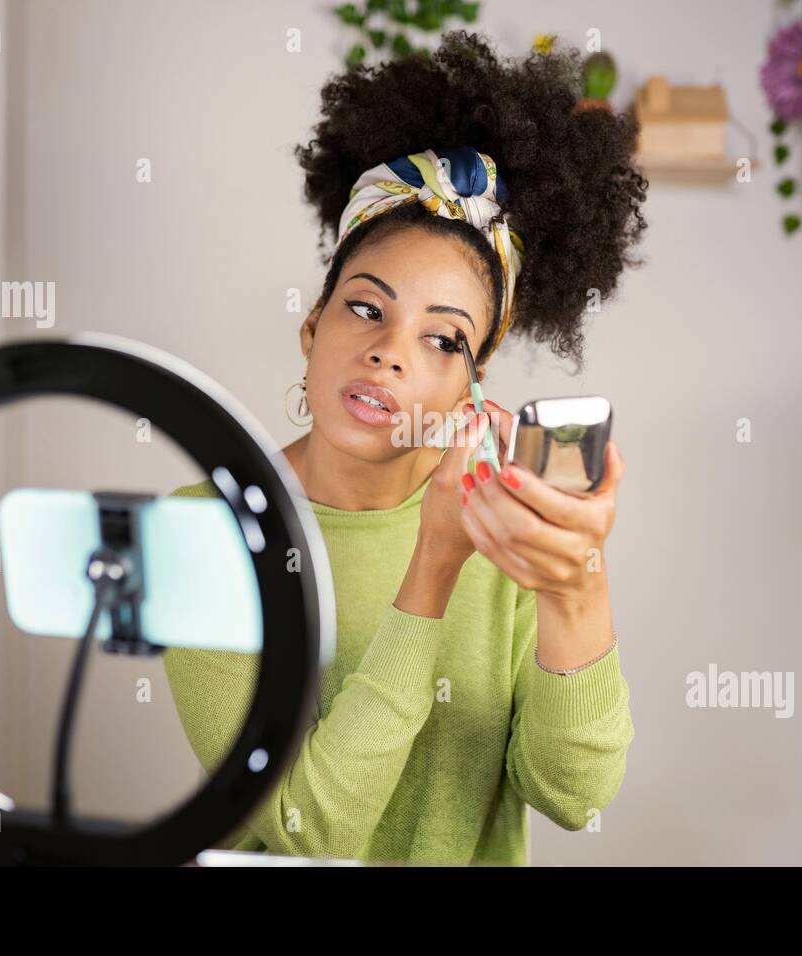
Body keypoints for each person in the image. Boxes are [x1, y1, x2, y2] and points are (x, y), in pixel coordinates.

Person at [163, 30, 648, 865]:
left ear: (473, 383)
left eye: (444, 339)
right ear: (312, 328)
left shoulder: (505, 523)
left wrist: (575, 588)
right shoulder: (208, 530)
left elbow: (572, 795)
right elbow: (307, 833)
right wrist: (432, 568)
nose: (391, 351)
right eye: (365, 309)